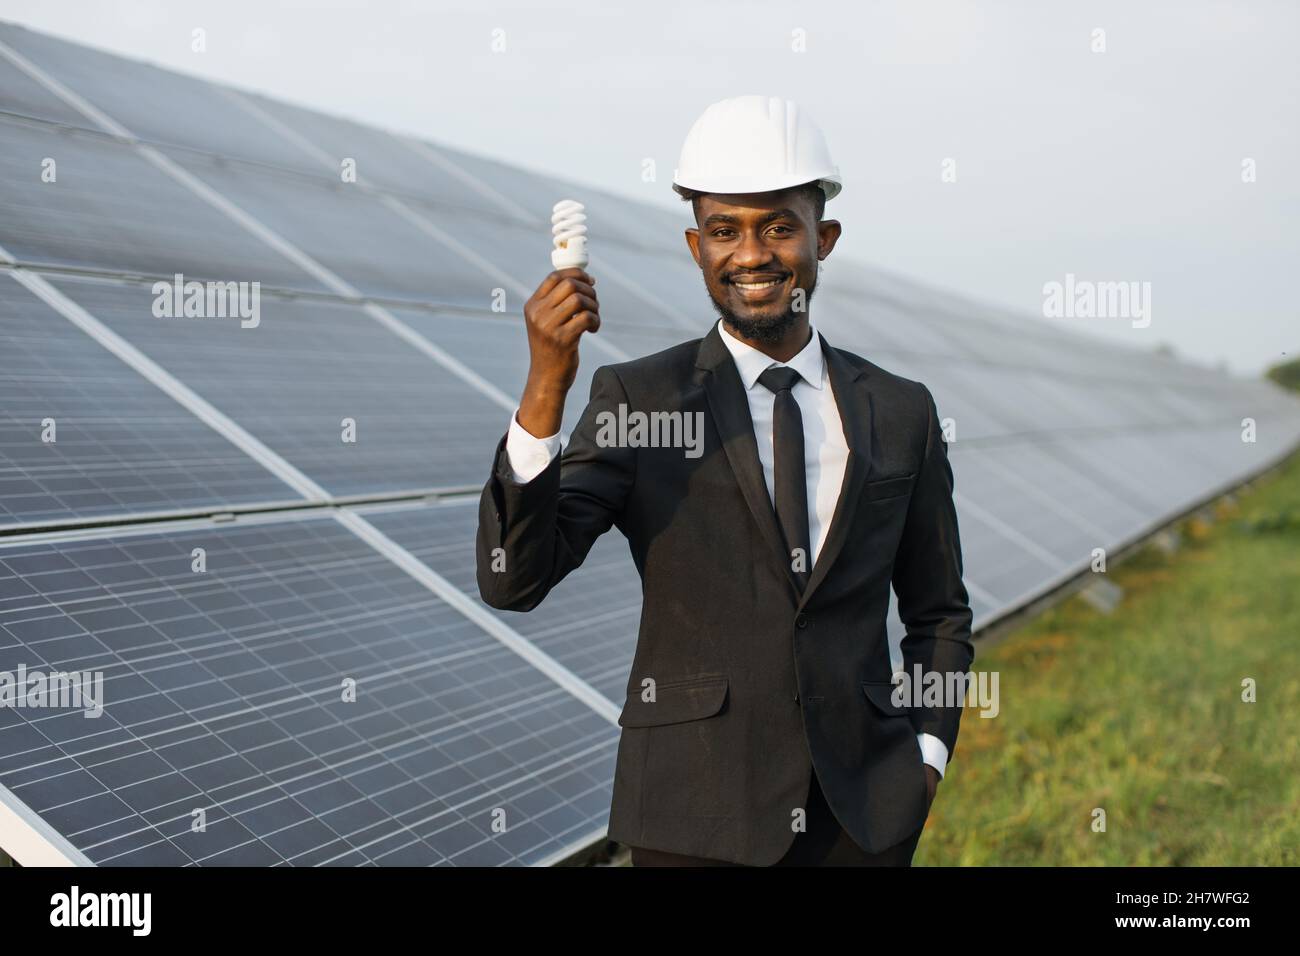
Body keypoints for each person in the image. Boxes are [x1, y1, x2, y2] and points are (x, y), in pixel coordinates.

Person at [476, 95, 975, 866]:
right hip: (690, 820)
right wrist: (546, 386)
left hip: (864, 819)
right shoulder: (640, 400)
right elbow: (514, 579)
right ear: (695, 246)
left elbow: (938, 613)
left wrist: (927, 759)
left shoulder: (901, 410)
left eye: (778, 226)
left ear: (825, 238)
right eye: (724, 231)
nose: (751, 254)